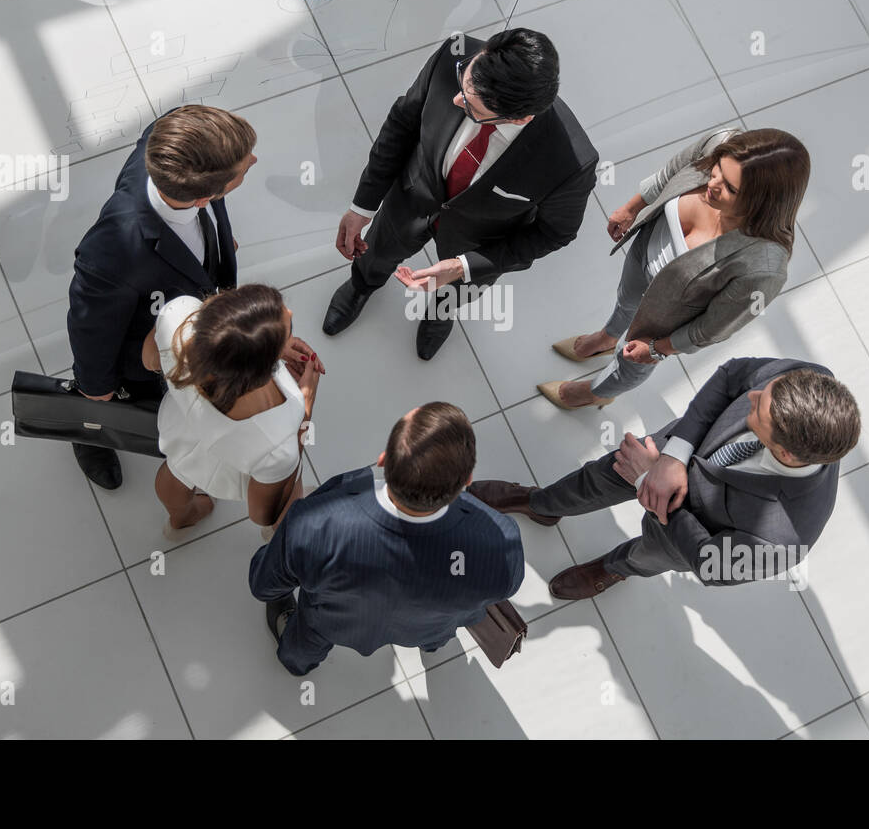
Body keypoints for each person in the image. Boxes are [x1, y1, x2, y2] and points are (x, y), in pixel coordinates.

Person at [65, 104, 317, 489]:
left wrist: (210, 246)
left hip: (190, 304)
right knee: (105, 402)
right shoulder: (112, 254)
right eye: (244, 168)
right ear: (204, 197)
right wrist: (94, 386)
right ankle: (87, 435)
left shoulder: (172, 145)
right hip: (140, 351)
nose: (253, 159)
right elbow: (90, 325)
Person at [471, 357, 860, 598]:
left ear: (786, 453)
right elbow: (731, 377)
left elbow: (710, 564)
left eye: (759, 410)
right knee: (594, 479)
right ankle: (541, 504)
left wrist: (648, 485)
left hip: (681, 532)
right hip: (668, 449)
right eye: (762, 392)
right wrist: (673, 456)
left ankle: (612, 570)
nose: (751, 397)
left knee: (645, 556)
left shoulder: (783, 540)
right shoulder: (806, 379)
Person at [322, 28, 598, 360]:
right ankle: (362, 285)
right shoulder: (455, 55)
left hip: (480, 244)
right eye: (463, 84)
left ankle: (441, 312)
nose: (456, 99)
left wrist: (461, 266)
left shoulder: (570, 162)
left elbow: (555, 233)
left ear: (521, 117)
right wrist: (362, 206)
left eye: (471, 105)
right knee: (377, 252)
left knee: (457, 291)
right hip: (411, 198)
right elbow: (402, 124)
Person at [538, 127, 809, 409]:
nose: (712, 185)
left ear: (763, 201)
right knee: (626, 300)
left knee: (630, 362)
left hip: (669, 316)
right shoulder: (721, 142)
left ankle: (597, 392)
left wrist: (658, 348)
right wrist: (632, 207)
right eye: (716, 170)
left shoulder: (763, 267)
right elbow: (671, 173)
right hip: (645, 249)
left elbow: (710, 329)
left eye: (730, 188)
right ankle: (607, 337)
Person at [248, 402, 525, 676]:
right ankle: (431, 646)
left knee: (305, 643)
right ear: (467, 479)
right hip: (430, 625)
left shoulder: (316, 524)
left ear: (383, 460)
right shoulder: (500, 540)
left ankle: (297, 664)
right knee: (433, 634)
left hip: (336, 622)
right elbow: (505, 587)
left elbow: (264, 584)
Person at [146, 285, 321, 538]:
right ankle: (279, 536)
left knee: (176, 470)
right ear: (260, 375)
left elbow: (150, 359)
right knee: (290, 493)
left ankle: (181, 519)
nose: (291, 311)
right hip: (238, 465)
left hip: (186, 433)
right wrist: (306, 407)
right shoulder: (279, 442)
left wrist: (259, 345)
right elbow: (263, 514)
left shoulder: (177, 315)